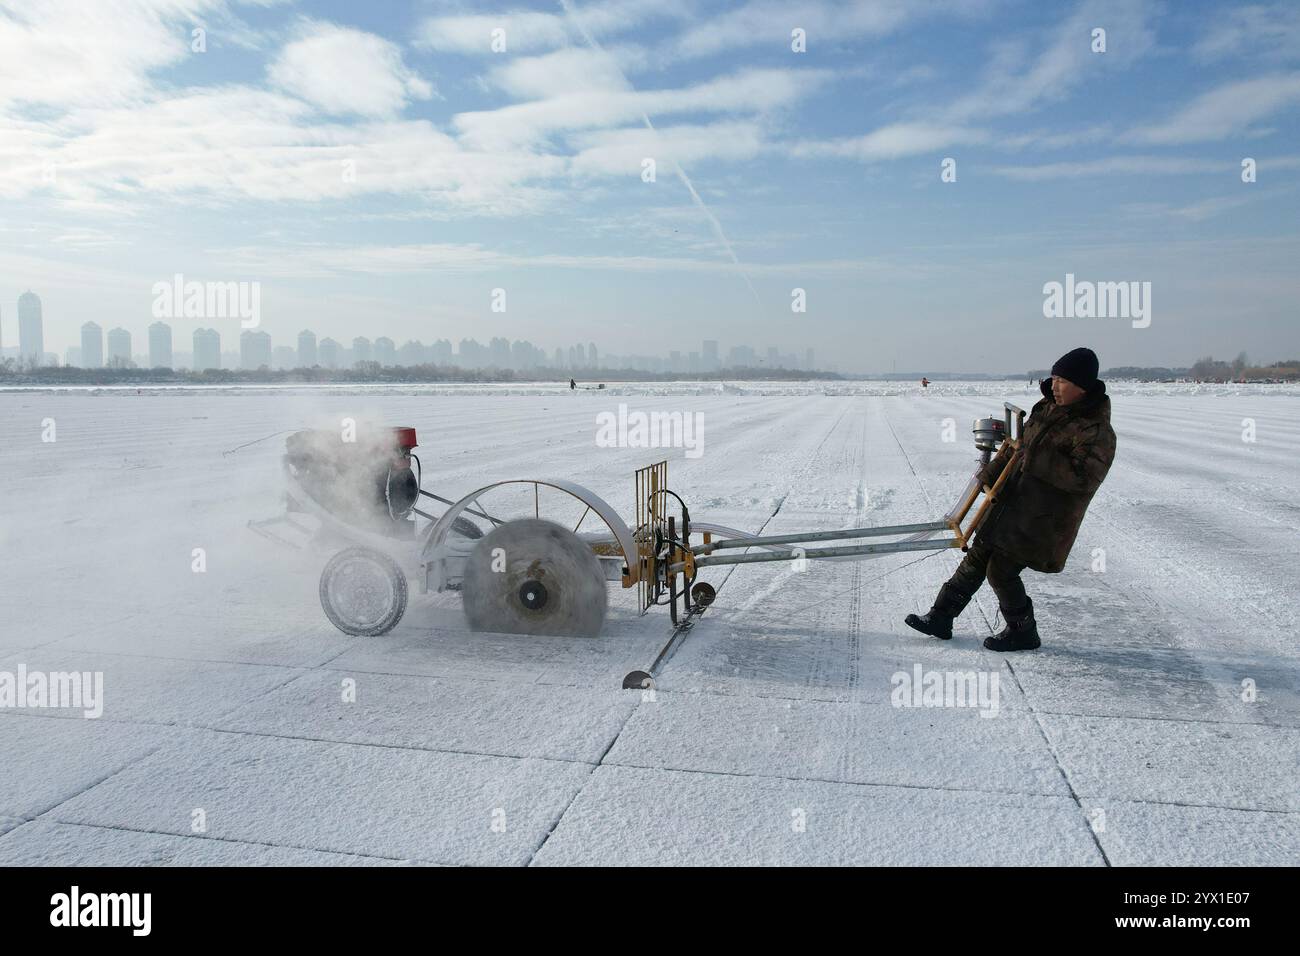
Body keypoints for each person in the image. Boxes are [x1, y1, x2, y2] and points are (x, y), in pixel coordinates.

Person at [905, 347, 1116, 651]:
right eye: (1054, 378)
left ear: (1083, 387)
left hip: (1042, 520)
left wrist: (1038, 458)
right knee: (977, 557)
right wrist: (993, 471)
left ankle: (1023, 631)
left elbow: (1083, 478)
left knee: (1000, 571)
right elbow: (1018, 449)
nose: (1055, 386)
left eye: (1063, 381)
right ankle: (940, 617)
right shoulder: (1045, 408)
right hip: (1010, 505)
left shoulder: (1096, 431)